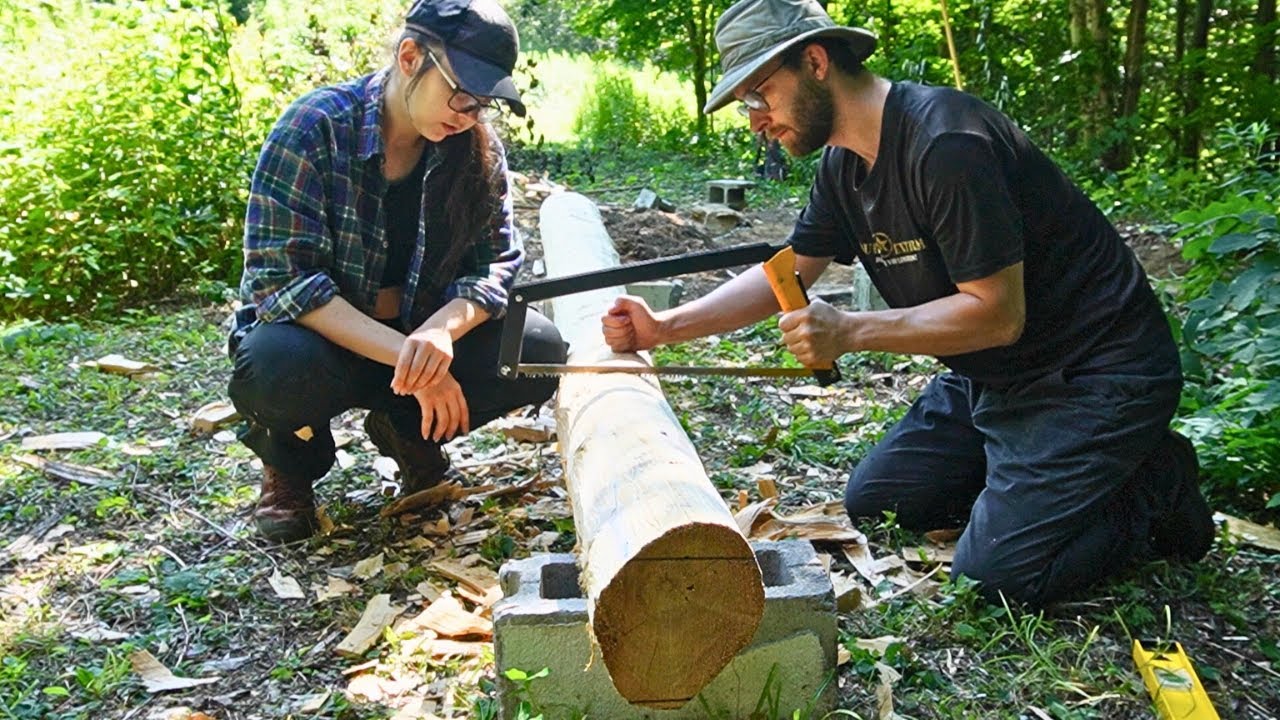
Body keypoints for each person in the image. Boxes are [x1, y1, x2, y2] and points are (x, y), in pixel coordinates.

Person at [602, 0, 1214, 607]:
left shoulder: (948, 144)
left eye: (760, 95)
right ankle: (1046, 476)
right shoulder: (843, 166)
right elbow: (789, 272)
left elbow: (998, 316)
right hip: (994, 378)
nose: (756, 121)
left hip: (1097, 373)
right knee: (881, 502)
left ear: (815, 62)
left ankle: (1155, 483)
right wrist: (664, 328)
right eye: (746, 105)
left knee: (994, 582)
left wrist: (851, 330)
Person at [227, 0, 566, 543]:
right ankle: (289, 462)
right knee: (275, 364)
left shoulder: (475, 150)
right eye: (460, 94)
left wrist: (440, 333)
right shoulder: (314, 128)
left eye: (482, 104)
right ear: (410, 58)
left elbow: (495, 265)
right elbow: (283, 280)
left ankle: (406, 429)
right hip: (324, 342)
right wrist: (417, 361)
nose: (468, 115)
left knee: (536, 349)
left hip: (418, 332)